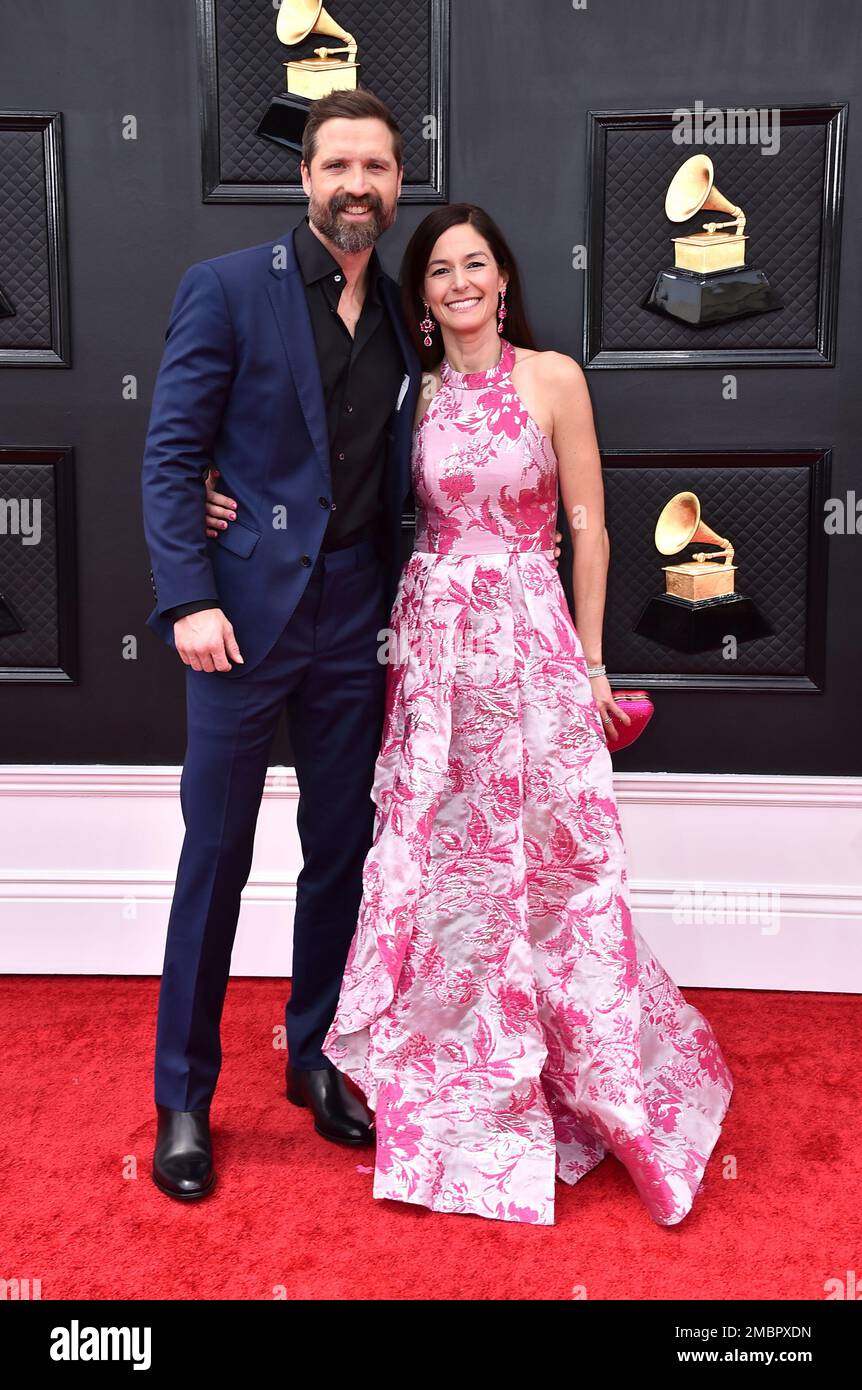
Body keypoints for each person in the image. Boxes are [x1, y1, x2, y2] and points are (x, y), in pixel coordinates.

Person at [309, 203, 732, 1226]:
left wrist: (590, 662)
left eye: (475, 263)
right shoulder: (410, 391)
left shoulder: (551, 378)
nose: (458, 280)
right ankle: (461, 1069)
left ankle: (576, 1068)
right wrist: (215, 489)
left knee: (548, 858)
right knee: (446, 853)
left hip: (530, 641)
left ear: (502, 279)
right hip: (434, 650)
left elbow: (588, 530)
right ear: (422, 298)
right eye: (439, 269)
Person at [141, 90, 428, 1199]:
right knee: (214, 859)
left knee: (341, 857)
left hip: (360, 621)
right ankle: (182, 1095)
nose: (359, 185)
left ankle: (315, 1058)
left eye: (378, 167)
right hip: (240, 626)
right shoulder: (223, 290)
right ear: (305, 179)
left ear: (397, 184)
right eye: (339, 165)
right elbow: (172, 456)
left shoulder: (405, 311)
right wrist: (189, 599)